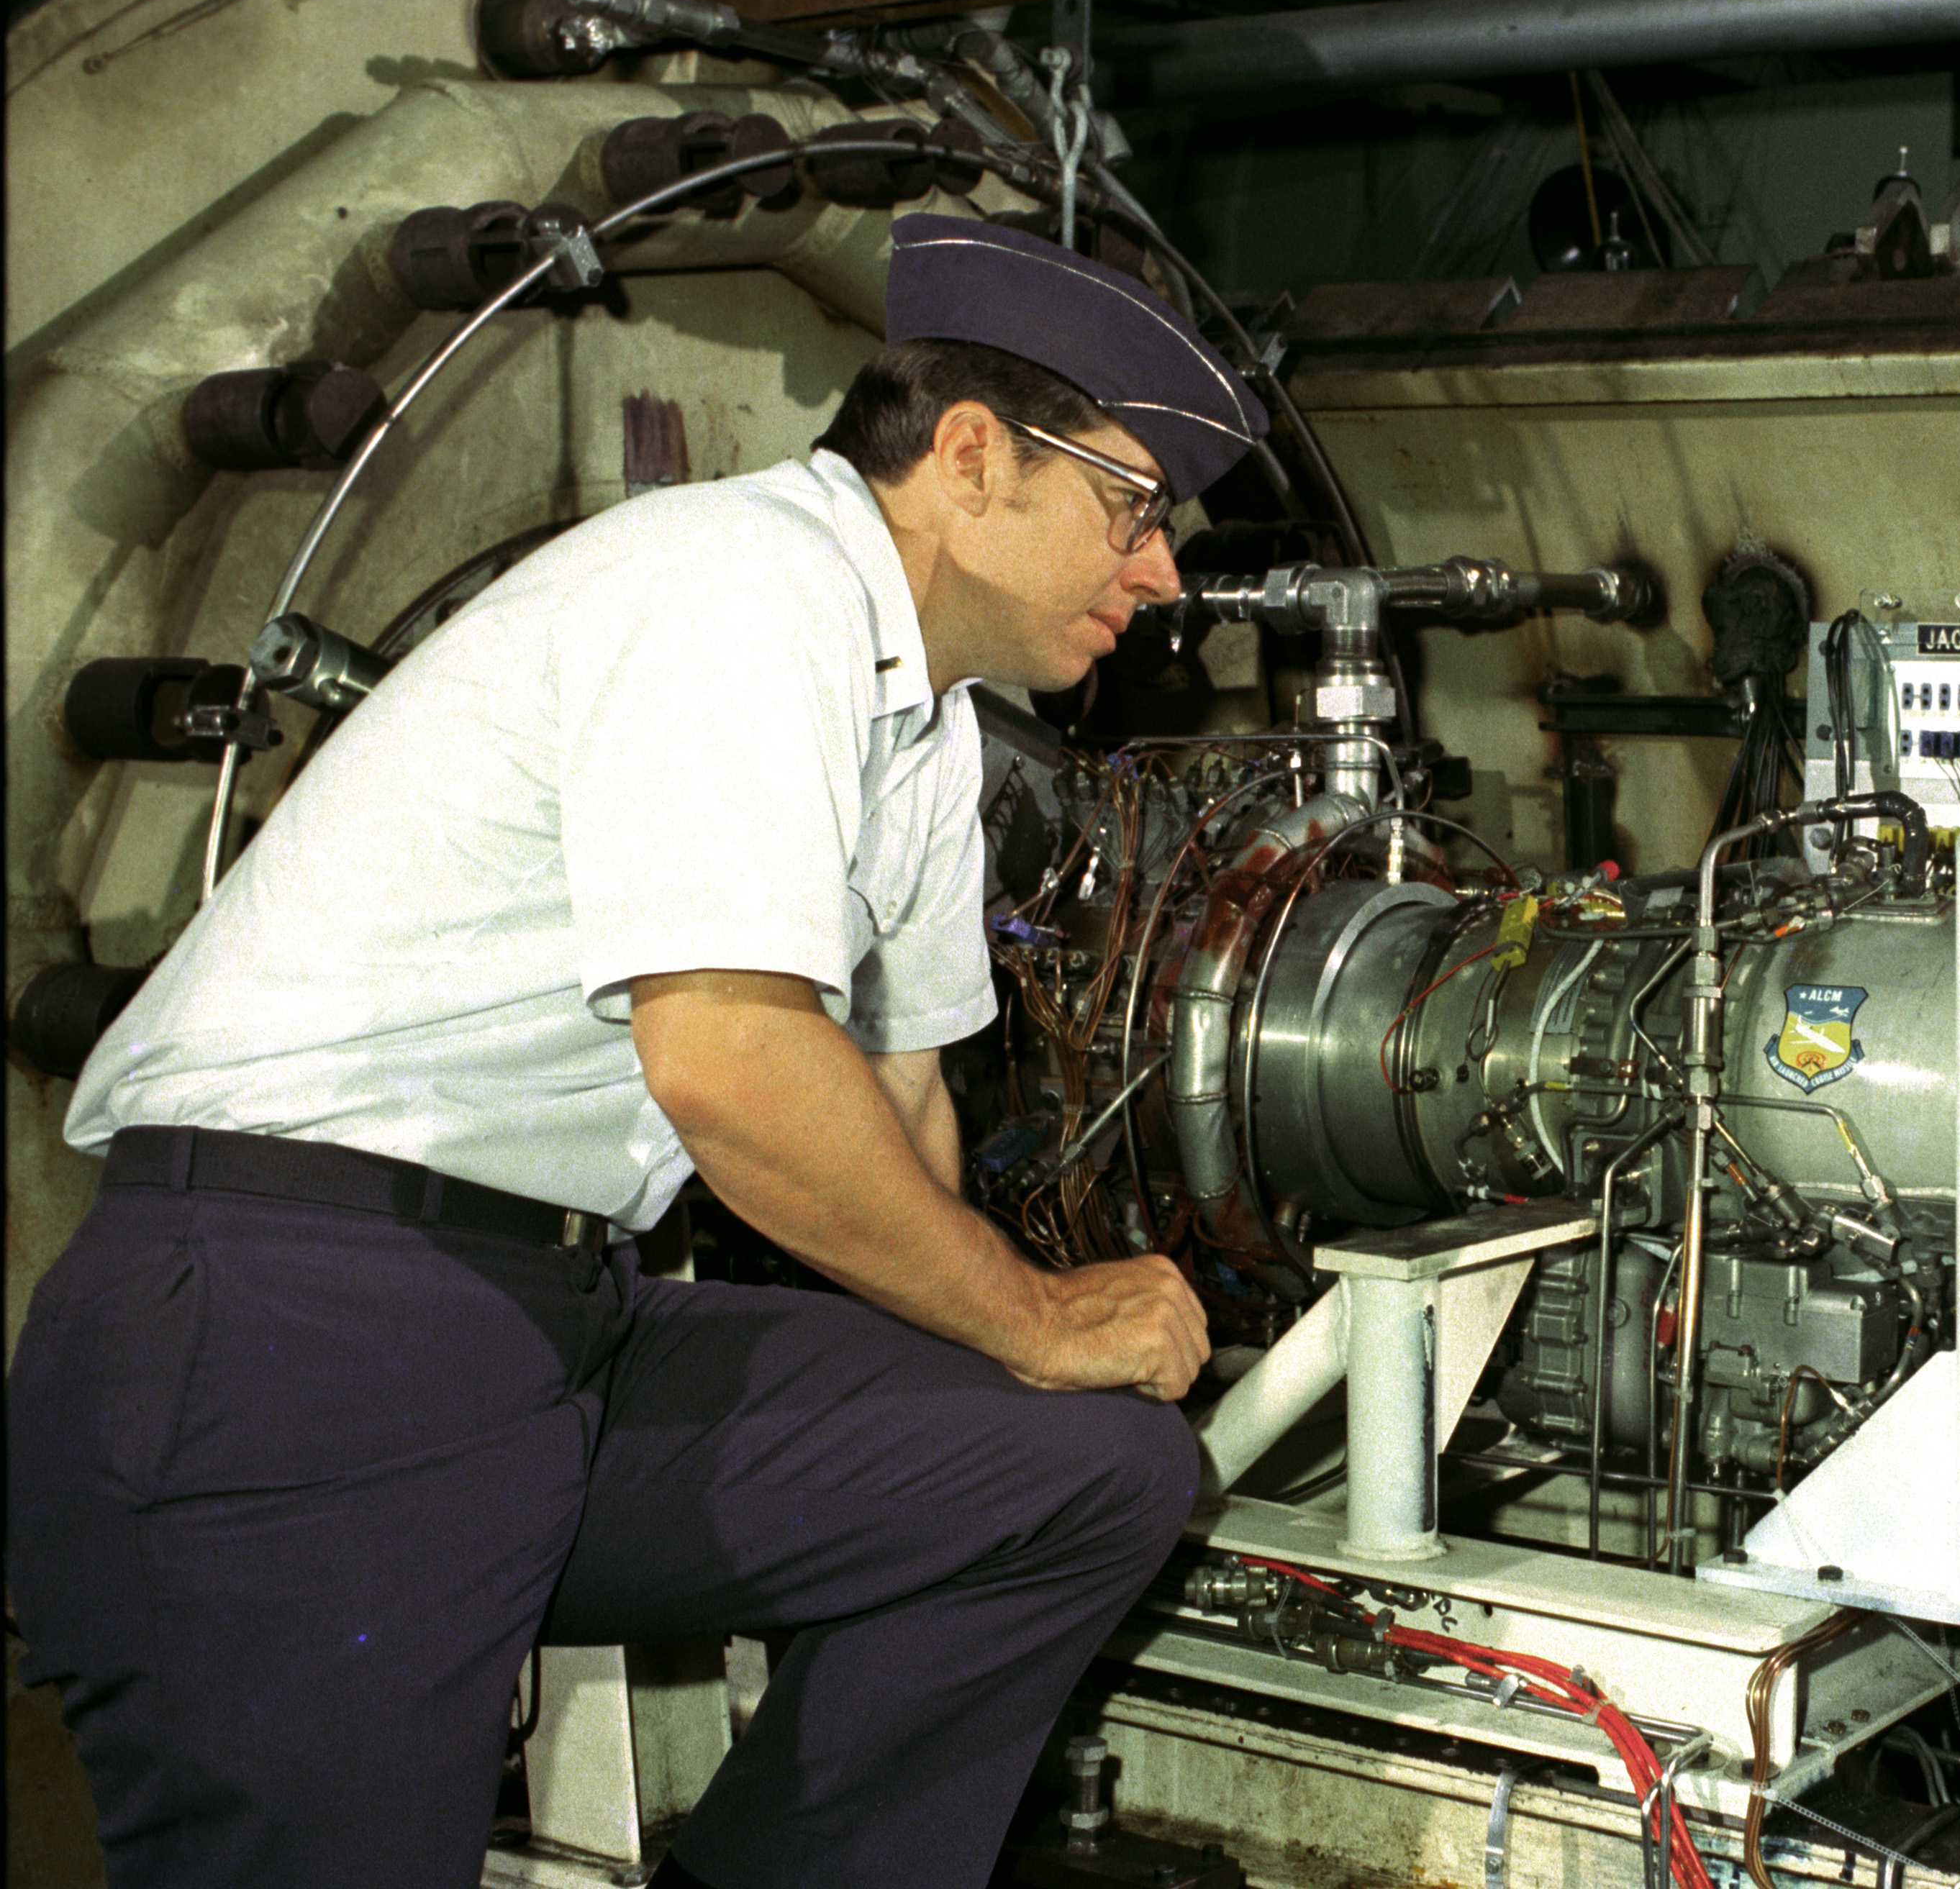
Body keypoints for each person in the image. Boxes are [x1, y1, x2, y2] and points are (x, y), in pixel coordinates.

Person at [9, 213, 1269, 1888]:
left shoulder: (929, 727)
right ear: (972, 461)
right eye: (1131, 509)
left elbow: (895, 1096)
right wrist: (1036, 1316)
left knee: (1076, 1466)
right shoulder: (741, 590)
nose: (1163, 575)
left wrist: (1022, 1346)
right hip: (289, 1334)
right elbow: (732, 1066)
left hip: (556, 1337)